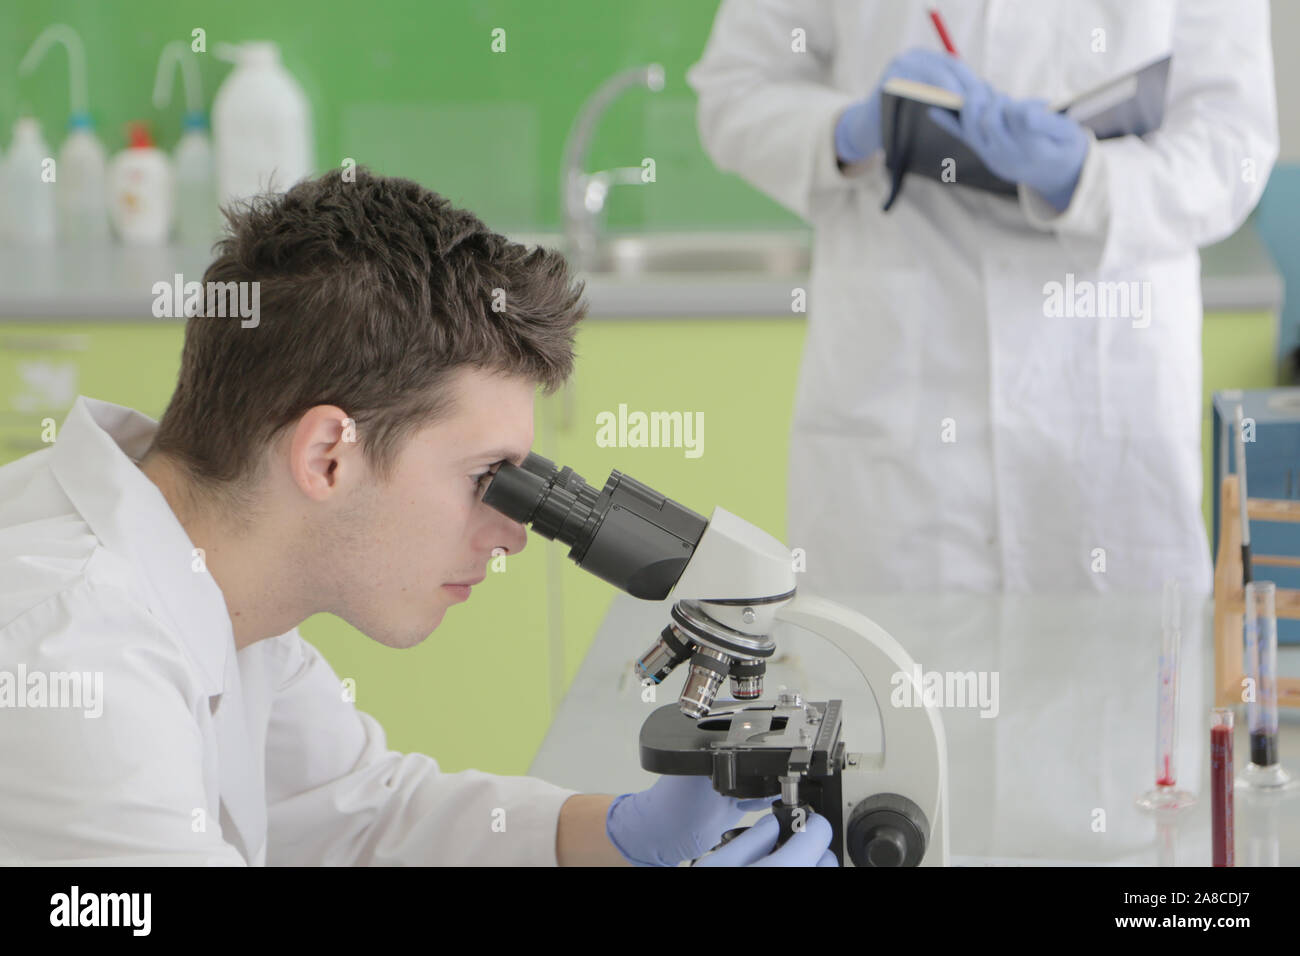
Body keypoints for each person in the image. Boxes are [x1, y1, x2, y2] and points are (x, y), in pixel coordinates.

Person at [0, 168, 833, 867]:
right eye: (486, 478)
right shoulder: (75, 669)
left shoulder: (211, 580)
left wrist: (617, 840)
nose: (511, 534)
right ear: (329, 454)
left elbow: (365, 817)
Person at [688, 0, 1278, 594]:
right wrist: (848, 130)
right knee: (881, 672)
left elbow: (1235, 143)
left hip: (1106, 387)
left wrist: (1088, 178)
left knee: (1116, 670)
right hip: (897, 419)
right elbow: (735, 90)